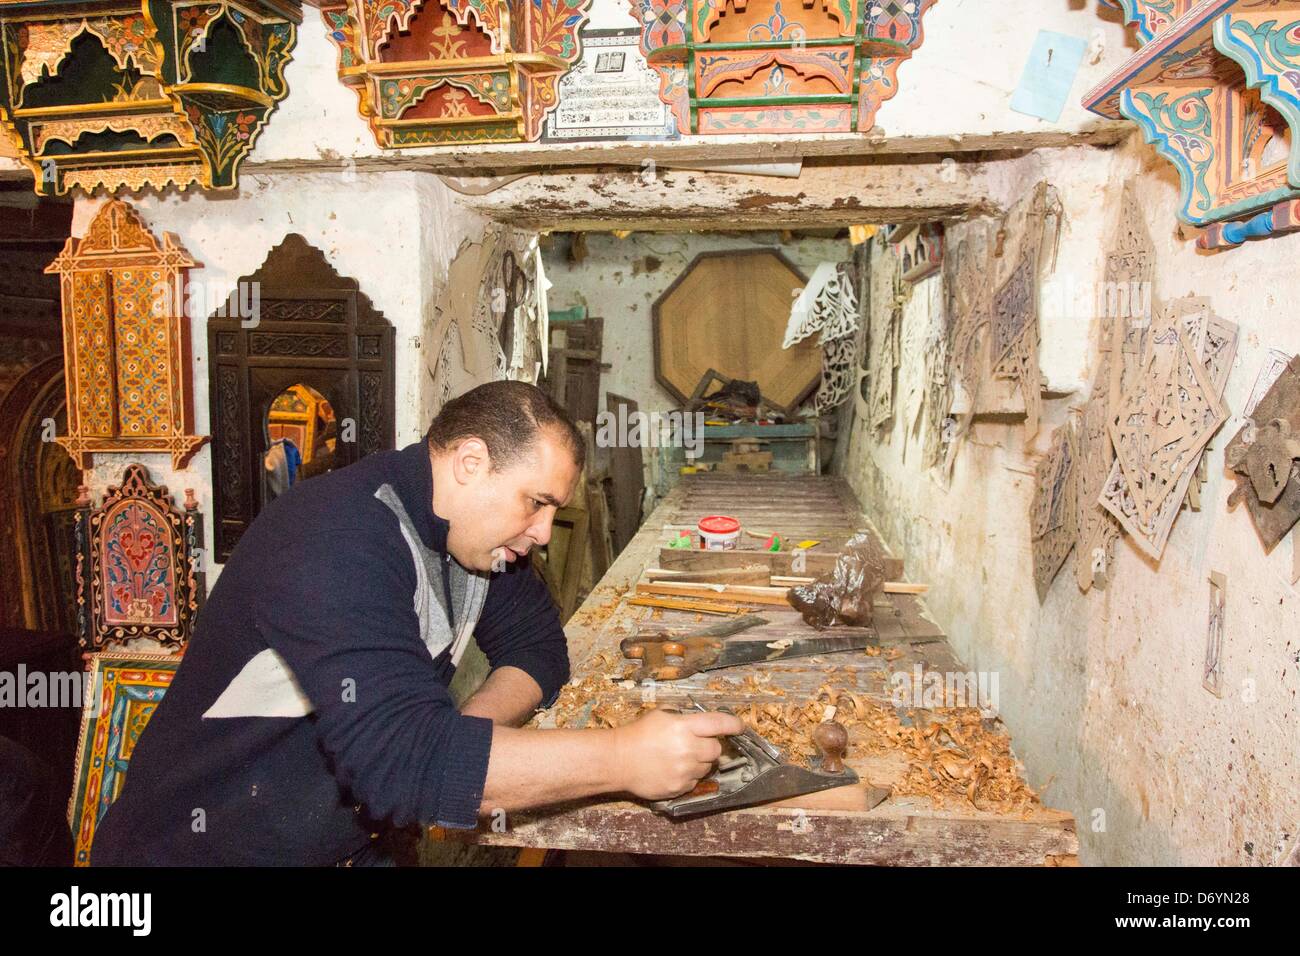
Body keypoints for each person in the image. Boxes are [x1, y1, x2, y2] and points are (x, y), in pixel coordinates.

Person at [92, 381, 740, 865]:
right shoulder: (337, 537)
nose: (543, 534)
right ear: (470, 463)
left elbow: (539, 650)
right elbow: (407, 769)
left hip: (338, 846)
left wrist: (455, 743)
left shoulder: (480, 546)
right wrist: (624, 757)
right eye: (535, 503)